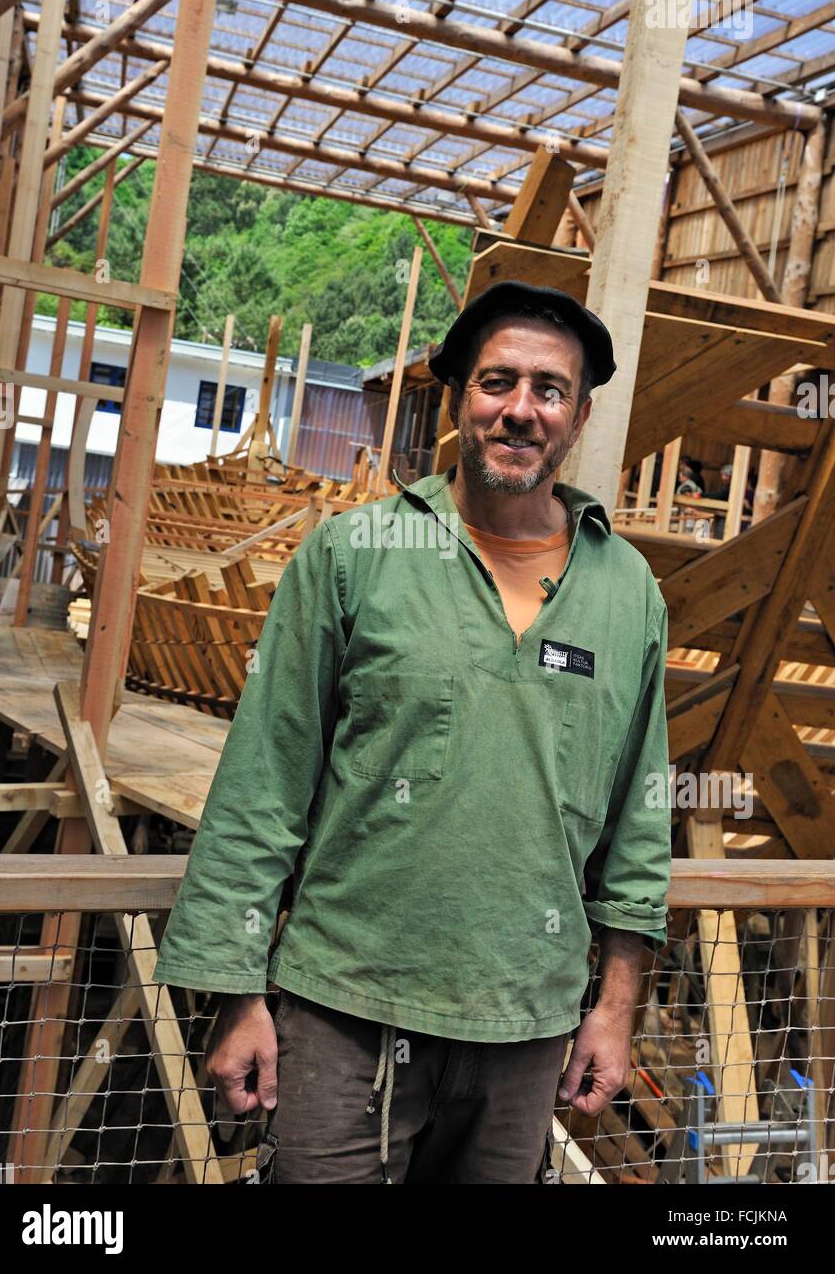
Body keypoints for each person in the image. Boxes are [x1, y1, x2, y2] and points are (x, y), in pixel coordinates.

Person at [152, 280, 672, 1185]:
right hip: (343, 1008)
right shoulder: (356, 556)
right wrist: (235, 992)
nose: (520, 410)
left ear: (578, 416)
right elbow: (262, 784)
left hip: (525, 1023)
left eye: (547, 390)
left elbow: (637, 824)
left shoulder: (626, 592)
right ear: (457, 398)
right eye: (495, 382)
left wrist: (615, 1006)